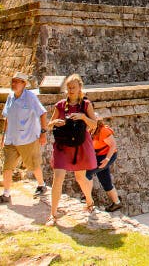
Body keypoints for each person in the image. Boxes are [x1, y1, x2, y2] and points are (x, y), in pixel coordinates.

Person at [46, 74, 98, 226]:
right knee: (58, 179)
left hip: (79, 145)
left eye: (73, 87)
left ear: (80, 87)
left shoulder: (86, 104)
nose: (70, 90)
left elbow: (94, 125)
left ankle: (89, 201)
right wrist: (56, 122)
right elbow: (49, 125)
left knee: (80, 178)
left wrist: (82, 117)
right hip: (63, 145)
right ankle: (53, 214)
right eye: (68, 88)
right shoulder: (61, 105)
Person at [0, 72, 48, 206]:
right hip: (11, 138)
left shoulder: (30, 97)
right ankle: (6, 194)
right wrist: (3, 135)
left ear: (24, 84)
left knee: (34, 165)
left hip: (27, 137)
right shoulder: (10, 97)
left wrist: (43, 132)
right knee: (7, 166)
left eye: (17, 81)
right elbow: (7, 117)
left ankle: (41, 185)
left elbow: (43, 113)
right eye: (13, 81)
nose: (14, 84)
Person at [85, 120, 122, 212]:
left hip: (107, 156)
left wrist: (107, 160)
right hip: (99, 156)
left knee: (87, 173)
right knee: (105, 180)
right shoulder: (91, 130)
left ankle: (87, 198)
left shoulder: (103, 131)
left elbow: (113, 145)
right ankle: (117, 203)